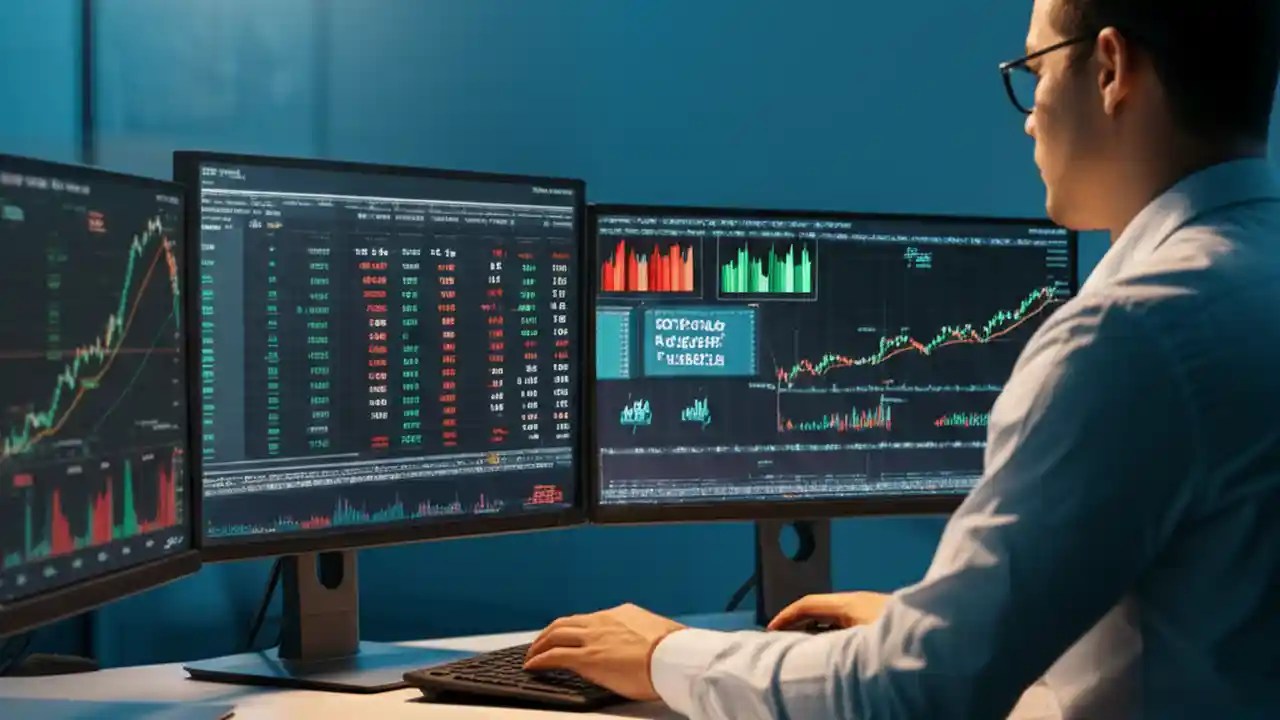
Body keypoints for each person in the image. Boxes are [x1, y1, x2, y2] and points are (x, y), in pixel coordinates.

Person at [524, 0, 1280, 717]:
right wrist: (941, 623)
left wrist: (666, 653)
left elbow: (905, 698)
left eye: (1036, 70)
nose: (1029, 119)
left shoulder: (1127, 337)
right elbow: (1212, 622)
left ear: (1111, 69)